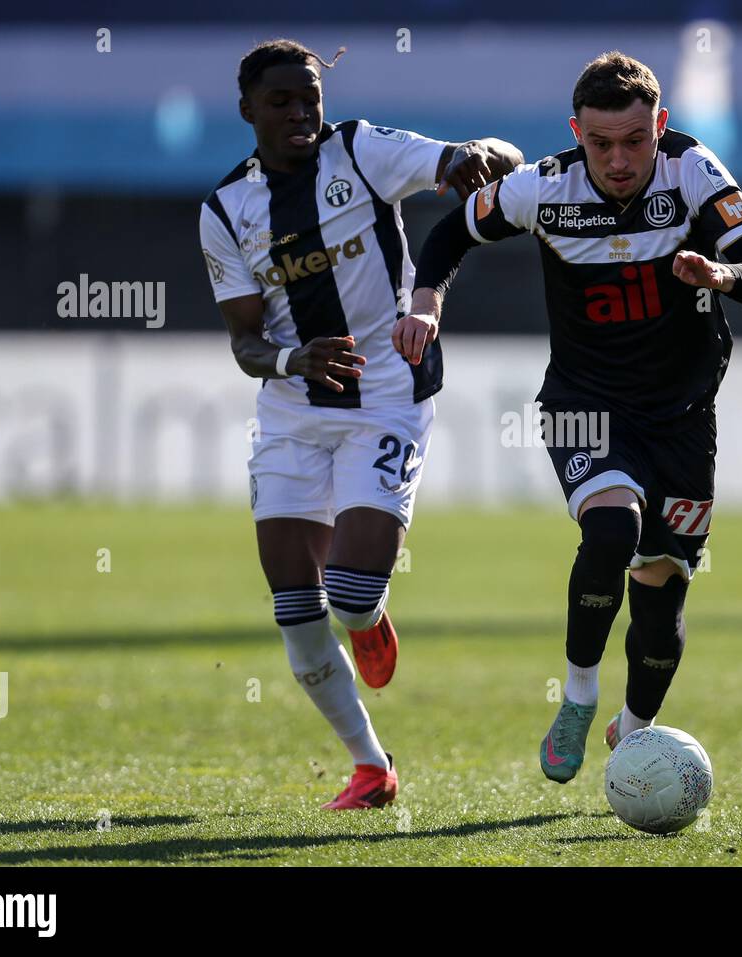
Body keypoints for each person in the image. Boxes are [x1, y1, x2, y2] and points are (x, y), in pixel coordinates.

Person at [396, 51, 742, 782]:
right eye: (599, 143)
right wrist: (426, 300)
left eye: (634, 141)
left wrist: (721, 273)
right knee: (613, 527)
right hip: (585, 399)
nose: (616, 160)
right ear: (577, 133)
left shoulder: (694, 172)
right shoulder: (543, 187)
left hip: (682, 416)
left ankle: (634, 730)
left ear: (660, 127)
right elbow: (450, 234)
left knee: (662, 597)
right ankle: (577, 697)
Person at [198, 39, 523, 807]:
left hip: (387, 394)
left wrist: (477, 154)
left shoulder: (363, 150)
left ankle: (369, 616)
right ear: (248, 111)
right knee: (293, 603)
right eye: (280, 102)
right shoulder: (226, 209)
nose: (300, 113)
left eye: (309, 97)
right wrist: (290, 362)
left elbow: (493, 157)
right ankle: (371, 764)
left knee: (346, 593)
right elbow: (246, 342)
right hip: (291, 412)